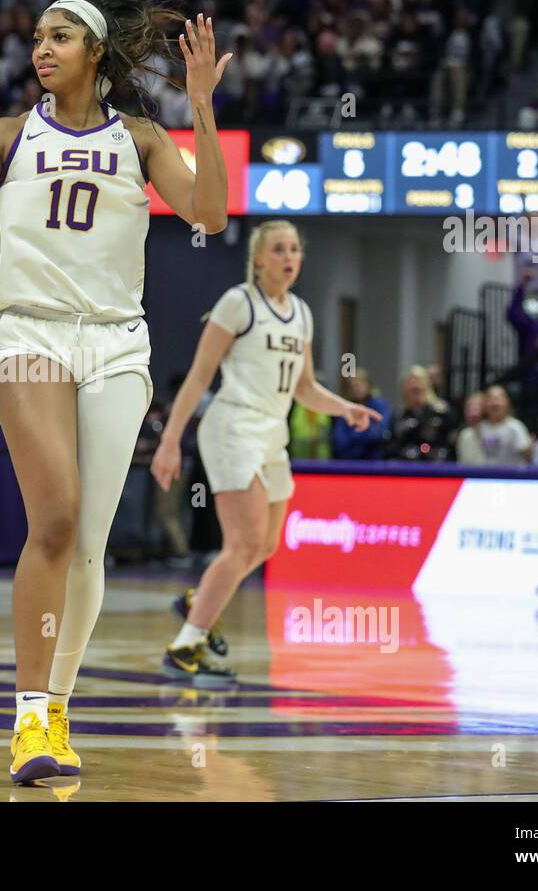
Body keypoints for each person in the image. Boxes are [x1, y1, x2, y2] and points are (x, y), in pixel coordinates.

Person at [0, 0, 229, 783]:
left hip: (118, 345)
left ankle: (55, 712)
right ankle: (27, 721)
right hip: (30, 337)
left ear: (95, 51)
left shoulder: (142, 139)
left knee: (87, 544)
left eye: (59, 37)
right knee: (53, 518)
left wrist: (200, 106)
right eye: (37, 38)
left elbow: (210, 213)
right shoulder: (8, 134)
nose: (41, 49)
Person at [152, 221, 381, 686]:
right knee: (242, 543)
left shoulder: (301, 312)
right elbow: (198, 377)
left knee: (267, 544)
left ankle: (200, 602)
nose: (289, 257)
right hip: (233, 424)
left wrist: (344, 408)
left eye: (295, 249)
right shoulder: (239, 302)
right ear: (258, 258)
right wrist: (171, 439)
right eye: (278, 249)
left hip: (271, 431)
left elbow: (305, 388)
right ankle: (185, 647)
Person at [330, 368, 390, 460]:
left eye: (360, 383)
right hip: (348, 461)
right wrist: (363, 433)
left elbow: (378, 434)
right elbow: (340, 441)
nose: (356, 387)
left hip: (375, 461)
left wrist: (354, 434)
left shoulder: (379, 405)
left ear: (369, 385)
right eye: (352, 385)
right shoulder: (344, 407)